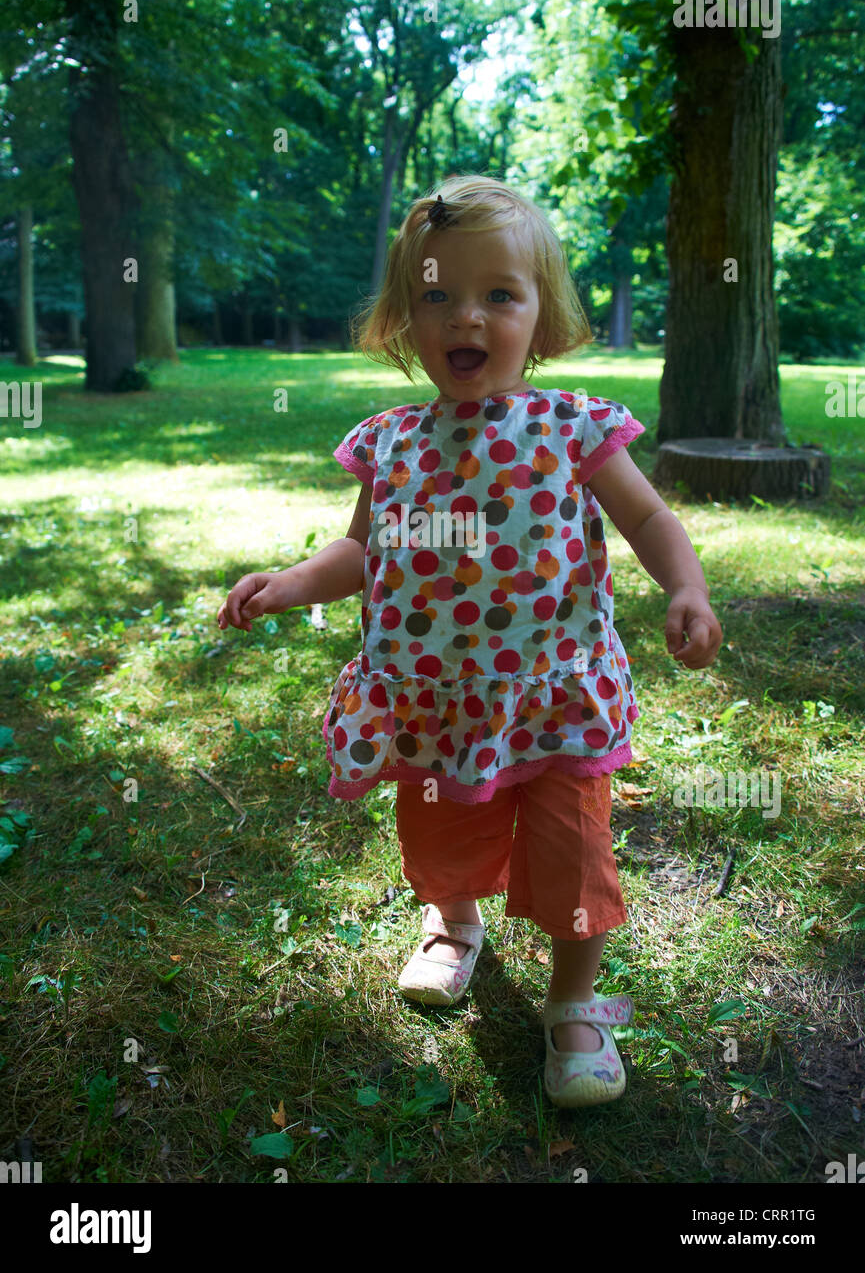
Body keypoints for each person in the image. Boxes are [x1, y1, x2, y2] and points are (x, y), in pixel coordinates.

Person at [217, 174, 723, 1108]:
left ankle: (572, 1004)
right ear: (406, 317)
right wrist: (289, 585)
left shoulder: (573, 430)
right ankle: (453, 924)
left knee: (575, 852)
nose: (468, 317)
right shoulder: (391, 444)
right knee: (440, 837)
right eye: (437, 294)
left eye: (500, 295)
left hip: (554, 691)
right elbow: (358, 552)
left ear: (542, 315)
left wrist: (684, 587)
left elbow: (650, 520)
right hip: (431, 693)